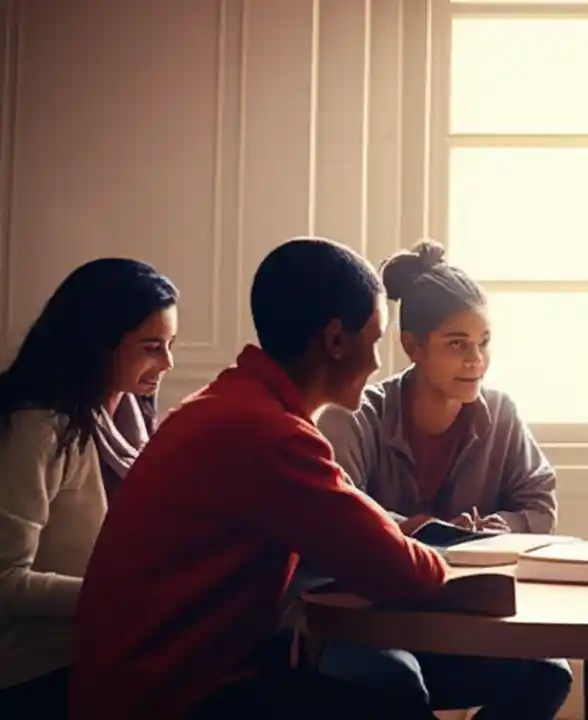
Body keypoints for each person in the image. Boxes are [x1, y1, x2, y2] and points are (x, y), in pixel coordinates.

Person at [70, 238, 448, 719]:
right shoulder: (269, 433)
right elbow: (407, 572)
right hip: (167, 696)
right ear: (335, 341)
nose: (377, 363)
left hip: (140, 681)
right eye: (373, 341)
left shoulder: (234, 404)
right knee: (394, 699)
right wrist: (441, 556)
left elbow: (343, 521)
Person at [316, 240, 570, 718]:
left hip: (463, 615)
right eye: (457, 344)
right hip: (373, 622)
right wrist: (441, 533)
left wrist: (504, 527)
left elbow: (539, 501)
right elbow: (339, 519)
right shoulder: (355, 417)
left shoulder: (501, 413)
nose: (476, 360)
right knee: (394, 679)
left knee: (549, 670)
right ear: (413, 346)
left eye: (484, 342)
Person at [0, 258, 178, 717]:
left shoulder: (128, 417)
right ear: (98, 343)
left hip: (110, 650)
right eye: (152, 347)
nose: (168, 363)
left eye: (170, 345)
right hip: (39, 669)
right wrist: (124, 598)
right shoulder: (37, 430)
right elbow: (4, 581)